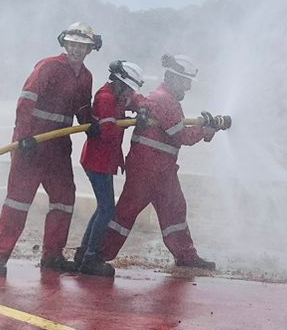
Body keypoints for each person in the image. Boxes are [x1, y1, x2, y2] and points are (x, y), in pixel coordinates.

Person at [0, 22, 99, 276]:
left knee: (64, 200)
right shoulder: (48, 67)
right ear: (65, 44)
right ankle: (0, 257)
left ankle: (52, 255)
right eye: (72, 44)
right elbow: (27, 100)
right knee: (17, 201)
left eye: (82, 46)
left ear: (89, 49)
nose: (76, 50)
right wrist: (25, 137)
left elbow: (82, 107)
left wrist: (89, 123)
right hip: (32, 146)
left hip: (58, 149)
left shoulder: (86, 77)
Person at [94, 55, 222, 272]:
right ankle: (97, 254)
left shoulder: (165, 99)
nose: (188, 87)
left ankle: (185, 255)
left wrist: (206, 129)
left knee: (174, 210)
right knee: (125, 213)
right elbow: (182, 136)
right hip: (147, 170)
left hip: (161, 170)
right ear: (173, 78)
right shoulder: (164, 100)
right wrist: (206, 130)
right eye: (186, 81)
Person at [74, 59, 144, 277]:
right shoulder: (106, 98)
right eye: (129, 89)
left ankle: (84, 253)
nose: (130, 94)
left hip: (102, 161)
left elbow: (135, 102)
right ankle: (90, 258)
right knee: (107, 209)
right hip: (98, 162)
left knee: (102, 208)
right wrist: (135, 122)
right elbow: (108, 133)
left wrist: (145, 108)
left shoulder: (117, 95)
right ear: (120, 84)